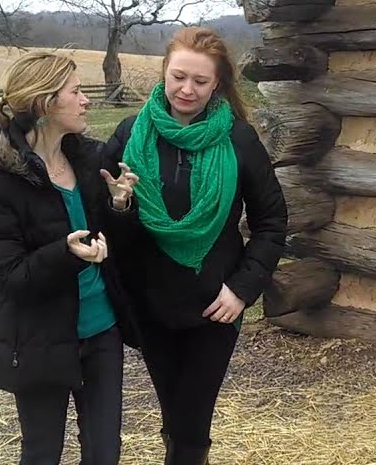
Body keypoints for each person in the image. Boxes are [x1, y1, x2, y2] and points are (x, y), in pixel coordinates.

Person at [101, 27, 287, 465]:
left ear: (217, 84)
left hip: (214, 306)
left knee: (191, 424)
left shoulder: (239, 140)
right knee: (174, 415)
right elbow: (109, 223)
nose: (187, 89)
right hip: (150, 306)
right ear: (164, 72)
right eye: (179, 76)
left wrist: (243, 288)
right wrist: (120, 204)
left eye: (200, 82)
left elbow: (272, 221)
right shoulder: (131, 135)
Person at [0, 51, 141, 465]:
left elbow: (115, 244)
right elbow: (9, 276)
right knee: (43, 454)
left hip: (101, 331)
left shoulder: (89, 161)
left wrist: (118, 206)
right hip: (39, 338)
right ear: (45, 103)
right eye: (76, 92)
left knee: (104, 455)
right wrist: (66, 254)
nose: (86, 101)